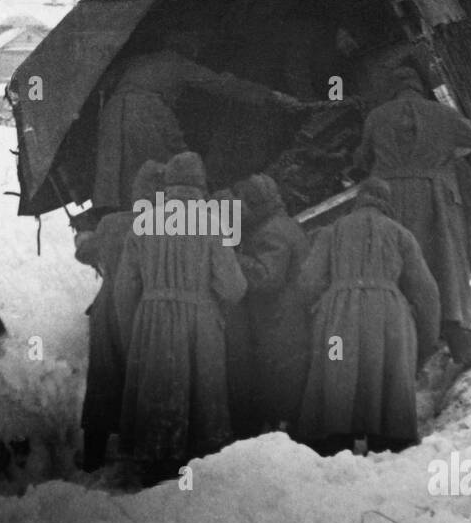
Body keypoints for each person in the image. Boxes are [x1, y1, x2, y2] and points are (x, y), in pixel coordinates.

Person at [113, 151, 246, 482]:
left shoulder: (143, 223)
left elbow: (124, 289)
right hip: (200, 323)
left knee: (157, 389)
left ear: (168, 183)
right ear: (200, 183)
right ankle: (194, 471)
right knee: (199, 394)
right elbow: (233, 288)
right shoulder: (212, 224)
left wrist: (135, 329)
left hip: (151, 320)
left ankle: (153, 466)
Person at [353, 65, 471, 368]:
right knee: (448, 270)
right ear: (420, 87)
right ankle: (464, 348)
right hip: (437, 201)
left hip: (389, 200)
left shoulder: (377, 117)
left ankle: (395, 352)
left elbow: (362, 160)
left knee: (394, 269)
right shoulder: (443, 114)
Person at [294, 178, 440, 453]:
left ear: (358, 200)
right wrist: (427, 342)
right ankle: (389, 445)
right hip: (390, 318)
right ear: (387, 203)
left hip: (338, 319)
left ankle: (333, 445)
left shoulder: (331, 232)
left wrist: (320, 308)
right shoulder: (401, 234)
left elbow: (308, 283)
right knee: (389, 377)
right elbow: (427, 292)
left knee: (337, 372)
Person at [92, 32, 305, 211]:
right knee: (175, 172)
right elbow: (222, 84)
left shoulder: (139, 62)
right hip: (144, 114)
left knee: (126, 182)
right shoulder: (176, 63)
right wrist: (272, 95)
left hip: (112, 116)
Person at [74, 160, 165, 471]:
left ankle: (93, 459)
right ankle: (145, 463)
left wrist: (83, 234)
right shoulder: (170, 226)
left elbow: (85, 254)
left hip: (107, 311)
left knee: (102, 382)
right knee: (145, 383)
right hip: (148, 312)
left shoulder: (113, 223)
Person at [230, 173, 310, 436]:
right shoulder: (284, 224)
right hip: (289, 320)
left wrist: (231, 258)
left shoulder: (271, 231)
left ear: (255, 202)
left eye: (244, 201)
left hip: (278, 322)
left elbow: (267, 277)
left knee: (278, 384)